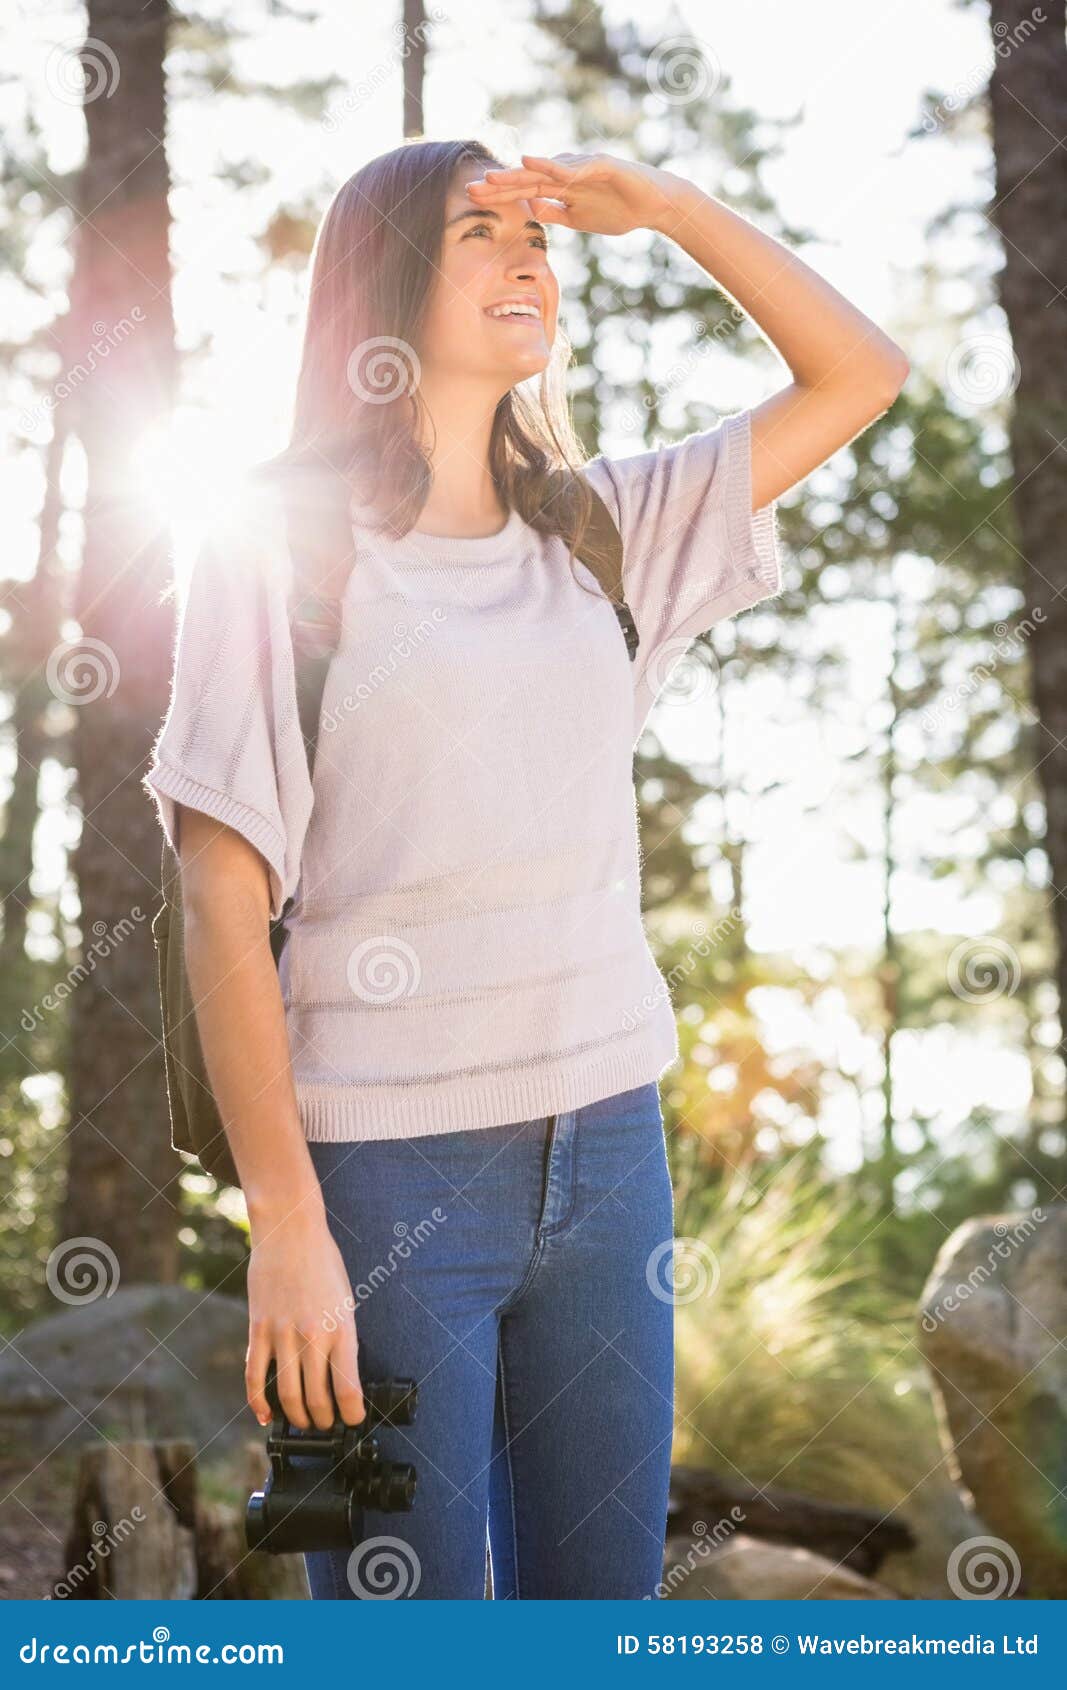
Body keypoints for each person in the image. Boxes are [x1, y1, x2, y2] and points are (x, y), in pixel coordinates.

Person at [143, 138, 908, 1599]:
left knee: (597, 1623)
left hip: (612, 1156)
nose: (527, 255)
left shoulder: (605, 531)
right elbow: (220, 899)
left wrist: (670, 209)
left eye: (536, 234)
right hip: (372, 1182)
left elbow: (859, 373)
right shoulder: (273, 552)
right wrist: (287, 1225)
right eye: (477, 228)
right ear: (382, 283)